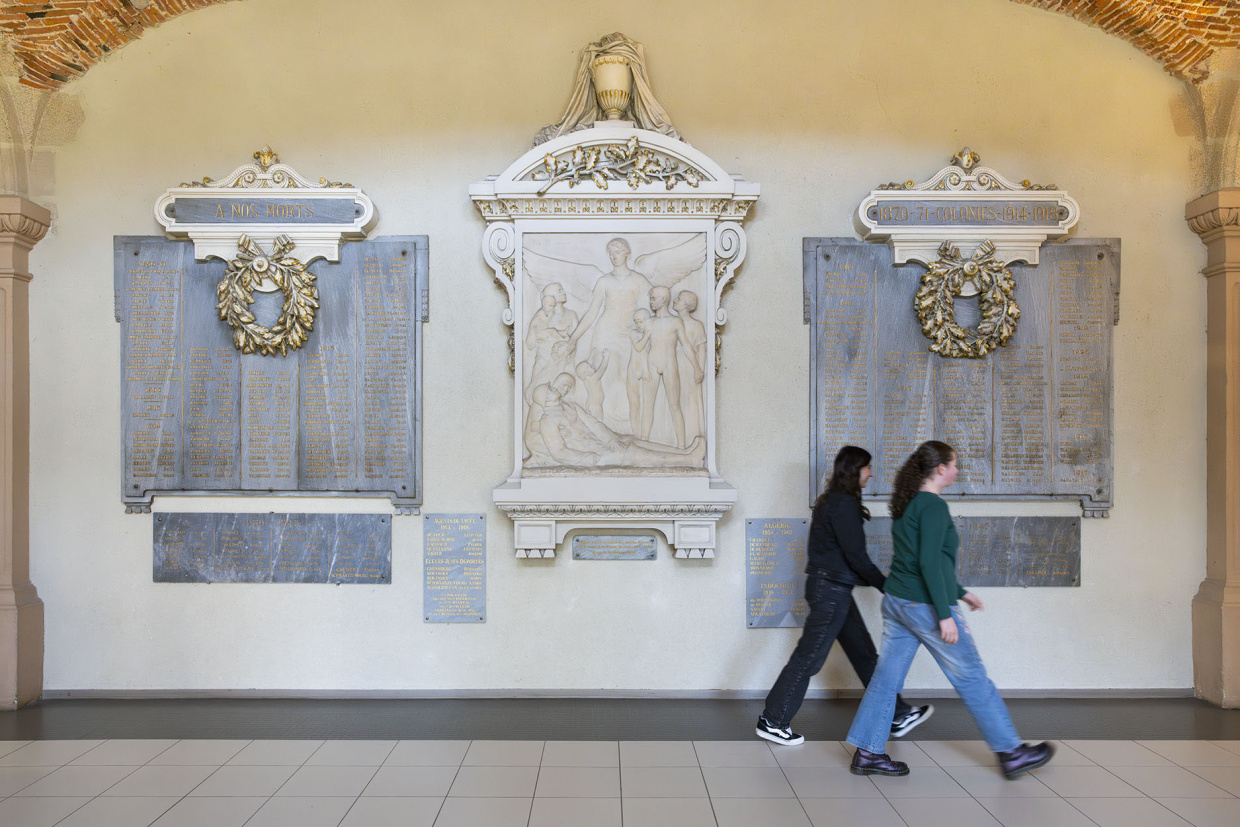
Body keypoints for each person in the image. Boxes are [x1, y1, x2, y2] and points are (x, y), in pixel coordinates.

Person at [845, 440, 1054, 779]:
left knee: (886, 680)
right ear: (940, 468)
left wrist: (960, 592)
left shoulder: (910, 505)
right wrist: (945, 613)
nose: (957, 470)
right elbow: (928, 562)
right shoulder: (932, 507)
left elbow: (922, 562)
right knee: (971, 675)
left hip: (897, 602)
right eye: (954, 465)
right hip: (923, 605)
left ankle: (868, 752)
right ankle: (1011, 752)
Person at [757, 446, 933, 747]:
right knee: (809, 657)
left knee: (864, 655)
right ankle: (773, 720)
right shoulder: (841, 504)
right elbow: (857, 557)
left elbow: (850, 557)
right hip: (831, 592)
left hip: (835, 590)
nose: (871, 473)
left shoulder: (836, 501)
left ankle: (898, 714)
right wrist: (887, 586)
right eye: (867, 467)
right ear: (854, 469)